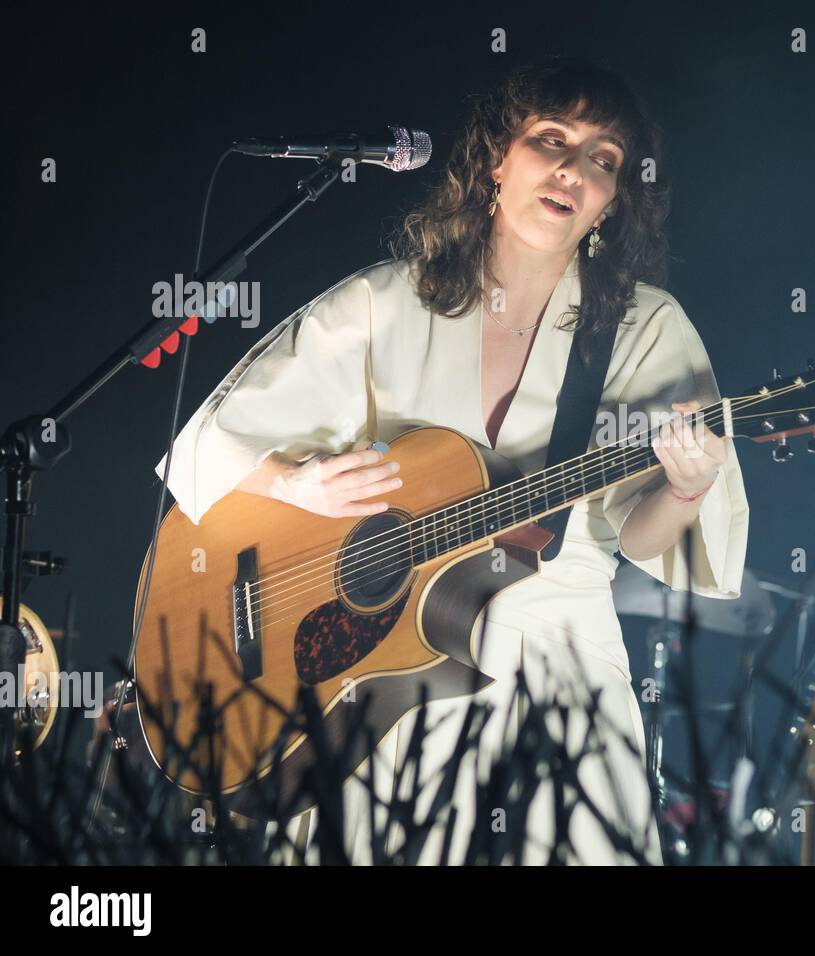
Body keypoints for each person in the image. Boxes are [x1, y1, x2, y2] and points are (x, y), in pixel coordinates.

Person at [154, 55, 749, 864]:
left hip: (560, 669)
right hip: (379, 678)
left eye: (603, 159)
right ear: (496, 161)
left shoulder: (646, 327)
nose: (574, 169)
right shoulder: (384, 302)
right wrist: (297, 483)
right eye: (551, 139)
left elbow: (647, 541)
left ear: (612, 202)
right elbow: (211, 445)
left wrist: (688, 486)